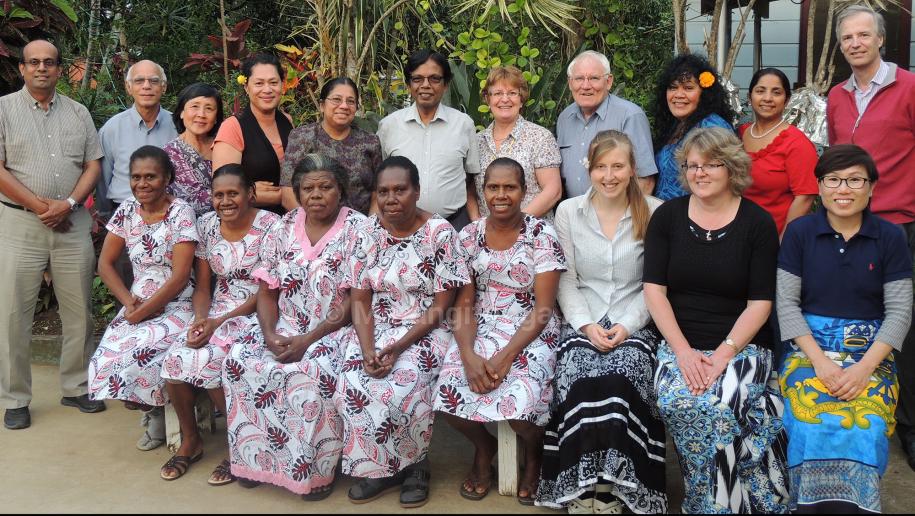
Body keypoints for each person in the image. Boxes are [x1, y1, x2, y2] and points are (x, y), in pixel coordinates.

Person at [643, 127, 788, 513]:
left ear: (733, 168)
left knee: (722, 406)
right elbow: (654, 291)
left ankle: (711, 505)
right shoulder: (667, 218)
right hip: (679, 343)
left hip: (742, 344)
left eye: (711, 164)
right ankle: (720, 501)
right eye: (692, 165)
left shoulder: (757, 223)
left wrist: (724, 354)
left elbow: (760, 302)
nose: (699, 173)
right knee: (680, 402)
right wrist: (684, 353)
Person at [777, 144, 913, 513]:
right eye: (833, 180)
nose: (844, 189)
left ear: (871, 188)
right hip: (809, 350)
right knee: (809, 418)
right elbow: (786, 305)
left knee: (865, 425)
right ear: (819, 187)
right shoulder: (800, 233)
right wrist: (820, 363)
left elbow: (900, 310)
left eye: (855, 180)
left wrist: (864, 368)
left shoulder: (890, 237)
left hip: (871, 353)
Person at [536, 130, 667, 514]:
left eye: (618, 166)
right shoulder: (568, 211)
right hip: (585, 317)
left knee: (623, 376)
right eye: (601, 167)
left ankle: (615, 484)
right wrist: (585, 326)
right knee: (577, 374)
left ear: (632, 170)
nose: (609, 176)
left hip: (636, 320)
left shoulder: (656, 212)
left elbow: (655, 284)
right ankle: (580, 482)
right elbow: (566, 279)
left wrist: (626, 326)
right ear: (589, 170)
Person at [222, 154, 365, 500]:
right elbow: (267, 291)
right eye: (308, 188)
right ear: (298, 193)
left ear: (341, 190)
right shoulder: (282, 227)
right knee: (240, 361)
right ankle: (256, 460)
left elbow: (355, 301)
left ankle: (316, 472)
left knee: (311, 372)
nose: (316, 195)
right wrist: (270, 334)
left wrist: (307, 339)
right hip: (283, 324)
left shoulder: (360, 229)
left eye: (325, 187)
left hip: (333, 330)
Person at [334, 156, 470, 508]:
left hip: (424, 330)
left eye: (400, 190)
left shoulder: (440, 233)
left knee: (404, 383)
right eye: (384, 192)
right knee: (353, 381)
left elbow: (441, 307)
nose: (391, 198)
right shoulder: (367, 233)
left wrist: (396, 347)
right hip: (375, 326)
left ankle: (415, 467)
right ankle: (378, 469)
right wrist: (367, 348)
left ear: (417, 191)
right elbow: (360, 299)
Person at [434, 158, 566, 504]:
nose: (501, 194)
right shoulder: (469, 235)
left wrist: (506, 357)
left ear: (524, 191)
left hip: (531, 328)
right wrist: (468, 355)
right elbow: (462, 304)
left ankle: (534, 451)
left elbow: (543, 308)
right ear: (484, 190)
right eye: (493, 187)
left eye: (510, 187)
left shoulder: (541, 234)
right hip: (479, 324)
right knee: (446, 394)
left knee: (522, 401)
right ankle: (484, 446)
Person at [825, 4, 915, 468]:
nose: (855, 43)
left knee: (906, 327)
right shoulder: (837, 96)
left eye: (863, 35)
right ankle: (863, 405)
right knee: (860, 315)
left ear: (880, 39)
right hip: (850, 225)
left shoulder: (909, 87)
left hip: (899, 222)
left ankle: (911, 429)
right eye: (847, 38)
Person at [0, 39, 105, 430]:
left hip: (71, 221)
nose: (41, 68)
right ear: (23, 69)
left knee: (79, 308)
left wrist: (70, 205)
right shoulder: (3, 110)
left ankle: (76, 386)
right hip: (19, 225)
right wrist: (41, 206)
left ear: (60, 69)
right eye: (34, 62)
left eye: (49, 62)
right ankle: (15, 398)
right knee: (13, 314)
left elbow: (93, 163)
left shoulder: (78, 113)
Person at [158, 164, 278, 485]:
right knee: (176, 359)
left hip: (260, 314)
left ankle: (237, 447)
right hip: (217, 313)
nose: (225, 201)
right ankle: (191, 439)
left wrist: (218, 322)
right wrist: (201, 320)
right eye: (218, 195)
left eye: (233, 193)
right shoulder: (208, 225)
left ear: (250, 194)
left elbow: (268, 290)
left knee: (214, 361)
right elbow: (202, 287)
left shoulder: (271, 227)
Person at [87, 146, 198, 451]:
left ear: (167, 178)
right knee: (105, 360)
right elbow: (105, 264)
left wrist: (144, 310)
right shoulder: (126, 211)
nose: (142, 184)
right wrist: (129, 303)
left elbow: (179, 277)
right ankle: (149, 408)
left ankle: (158, 415)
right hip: (136, 304)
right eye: (136, 177)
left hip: (177, 304)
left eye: (151, 176)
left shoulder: (181, 213)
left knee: (141, 353)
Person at [376, 50, 480, 230]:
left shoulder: (464, 124)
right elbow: (381, 178)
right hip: (400, 228)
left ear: (446, 84)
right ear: (409, 84)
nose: (425, 85)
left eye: (434, 78)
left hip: (454, 225)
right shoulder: (389, 126)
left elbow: (470, 178)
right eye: (417, 79)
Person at [556, 50, 657, 197]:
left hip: (617, 215)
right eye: (579, 79)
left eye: (594, 78)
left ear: (608, 81)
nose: (585, 86)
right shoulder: (565, 118)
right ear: (570, 83)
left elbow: (645, 180)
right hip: (574, 216)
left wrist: (626, 218)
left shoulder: (629, 116)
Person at [280, 77, 382, 215]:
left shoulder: (370, 142)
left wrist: (367, 229)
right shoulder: (302, 137)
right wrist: (314, 227)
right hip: (312, 229)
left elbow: (378, 192)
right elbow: (287, 193)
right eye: (337, 99)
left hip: (359, 230)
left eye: (350, 101)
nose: (344, 106)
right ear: (322, 105)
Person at [474, 67, 561, 220]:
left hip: (530, 232)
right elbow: (470, 190)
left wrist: (514, 224)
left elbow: (553, 191)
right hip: (487, 236)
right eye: (498, 93)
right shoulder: (476, 141)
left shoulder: (540, 137)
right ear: (488, 99)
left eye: (512, 93)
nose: (505, 99)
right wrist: (477, 226)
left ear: (522, 100)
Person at [739, 68, 818, 236]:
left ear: (787, 100)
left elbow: (805, 198)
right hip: (737, 236)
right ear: (749, 97)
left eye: (776, 92)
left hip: (774, 236)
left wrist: (783, 243)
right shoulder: (737, 136)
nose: (767, 98)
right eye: (760, 91)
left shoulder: (797, 143)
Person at [213, 53, 292, 214]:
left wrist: (251, 190)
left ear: (282, 85)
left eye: (273, 82)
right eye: (259, 83)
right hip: (251, 222)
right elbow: (224, 189)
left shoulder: (287, 121)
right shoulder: (233, 127)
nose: (267, 89)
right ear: (246, 87)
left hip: (290, 217)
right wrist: (283, 195)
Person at [98, 59, 177, 217]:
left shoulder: (178, 127)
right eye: (139, 80)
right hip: (123, 213)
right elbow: (102, 178)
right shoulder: (112, 128)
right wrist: (105, 214)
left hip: (169, 214)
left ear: (164, 87)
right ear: (129, 87)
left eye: (154, 81)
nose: (146, 86)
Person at [652, 53, 735, 201]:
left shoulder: (713, 127)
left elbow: (722, 183)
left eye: (688, 88)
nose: (678, 94)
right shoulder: (675, 124)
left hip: (697, 216)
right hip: (665, 215)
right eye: (673, 88)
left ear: (704, 94)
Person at [164, 83, 224, 217]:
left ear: (216, 118)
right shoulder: (169, 155)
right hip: (185, 229)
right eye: (194, 106)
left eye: (209, 108)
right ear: (181, 113)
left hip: (230, 225)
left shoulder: (225, 146)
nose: (201, 114)